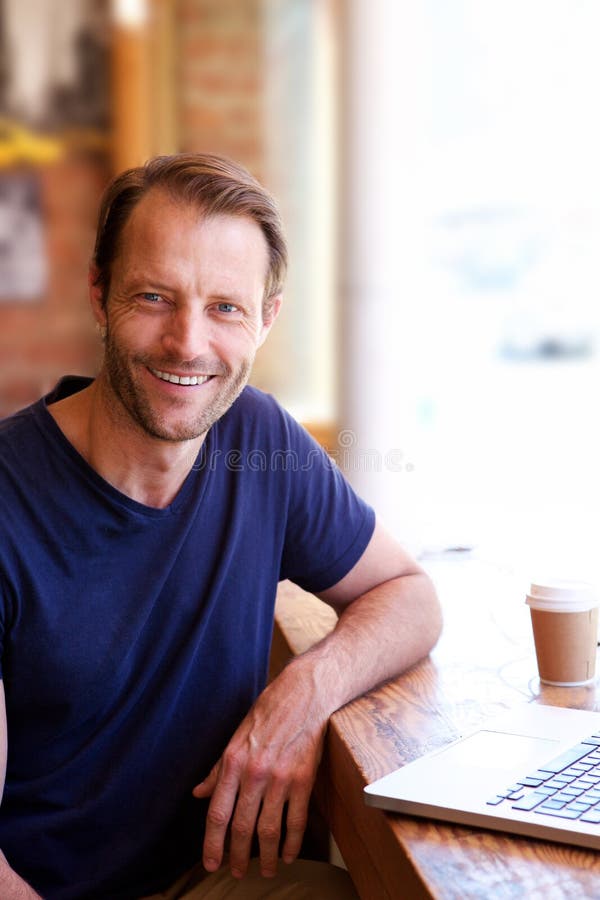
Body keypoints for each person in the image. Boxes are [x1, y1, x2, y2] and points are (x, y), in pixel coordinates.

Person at [0, 154, 442, 899]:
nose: (188, 342)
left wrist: (303, 692)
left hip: (206, 882)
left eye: (225, 308)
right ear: (99, 292)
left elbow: (409, 594)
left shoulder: (260, 440)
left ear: (266, 319)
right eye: (153, 296)